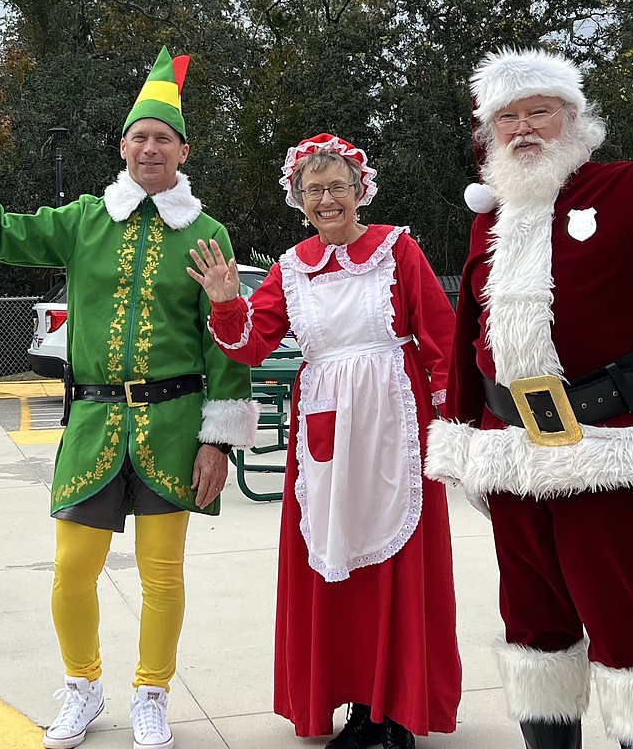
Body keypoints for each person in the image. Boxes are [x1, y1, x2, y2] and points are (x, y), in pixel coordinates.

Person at [0, 48, 257, 749]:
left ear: (183, 150)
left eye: (164, 137)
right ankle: (83, 686)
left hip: (175, 425)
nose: (151, 147)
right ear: (122, 146)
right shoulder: (82, 220)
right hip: (96, 420)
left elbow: (226, 340)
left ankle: (152, 693)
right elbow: (0, 233)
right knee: (72, 570)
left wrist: (219, 439)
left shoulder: (206, 233)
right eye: (140, 136)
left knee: (163, 573)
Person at [424, 50, 633, 749]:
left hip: (613, 445)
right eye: (506, 118)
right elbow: (471, 336)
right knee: (535, 630)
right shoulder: (493, 220)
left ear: (573, 120)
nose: (521, 130)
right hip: (513, 453)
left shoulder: (631, 190)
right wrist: (463, 437)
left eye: (538, 113)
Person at [187, 133, 461, 749]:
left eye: (338, 187)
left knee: (398, 560)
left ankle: (396, 712)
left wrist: (450, 426)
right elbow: (251, 345)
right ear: (299, 199)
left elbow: (439, 337)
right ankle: (360, 705)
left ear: (360, 191)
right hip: (325, 427)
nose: (327, 199)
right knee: (334, 558)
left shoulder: (397, 249)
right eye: (314, 190)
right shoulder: (290, 267)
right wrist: (228, 304)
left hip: (395, 420)